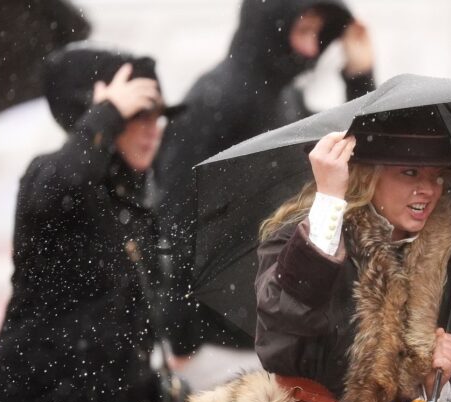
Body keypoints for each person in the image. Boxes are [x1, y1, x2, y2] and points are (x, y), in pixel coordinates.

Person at [139, 115, 451, 402]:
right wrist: (329, 201)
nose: (428, 189)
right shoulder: (305, 237)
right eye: (410, 173)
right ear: (367, 174)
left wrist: (443, 383)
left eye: (436, 176)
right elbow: (281, 332)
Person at [0, 45, 180, 402]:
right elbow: (59, 186)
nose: (152, 130)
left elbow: (128, 324)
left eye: (156, 116)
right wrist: (106, 113)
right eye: (137, 116)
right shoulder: (49, 178)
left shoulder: (134, 200)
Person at [154, 0, 376, 357]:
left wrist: (359, 75)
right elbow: (174, 216)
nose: (310, 47)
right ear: (269, 26)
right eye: (302, 31)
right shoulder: (218, 98)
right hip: (213, 341)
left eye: (317, 35)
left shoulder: (283, 96)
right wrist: (181, 337)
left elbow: (345, 150)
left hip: (266, 327)